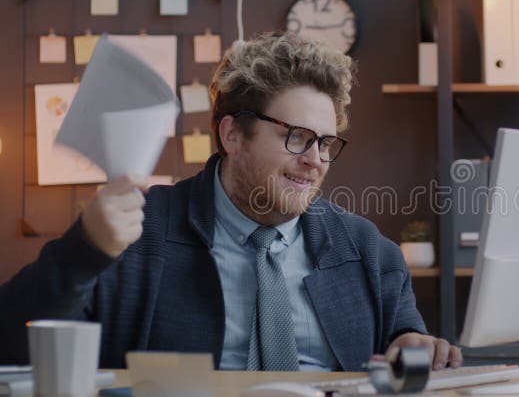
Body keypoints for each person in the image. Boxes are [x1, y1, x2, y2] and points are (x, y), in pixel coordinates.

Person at [0, 31, 462, 372]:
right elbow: (13, 346)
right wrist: (85, 252)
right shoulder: (137, 234)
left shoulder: (367, 250)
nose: (316, 161)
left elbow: (406, 337)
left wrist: (415, 345)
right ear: (232, 135)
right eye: (298, 137)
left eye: (325, 143)